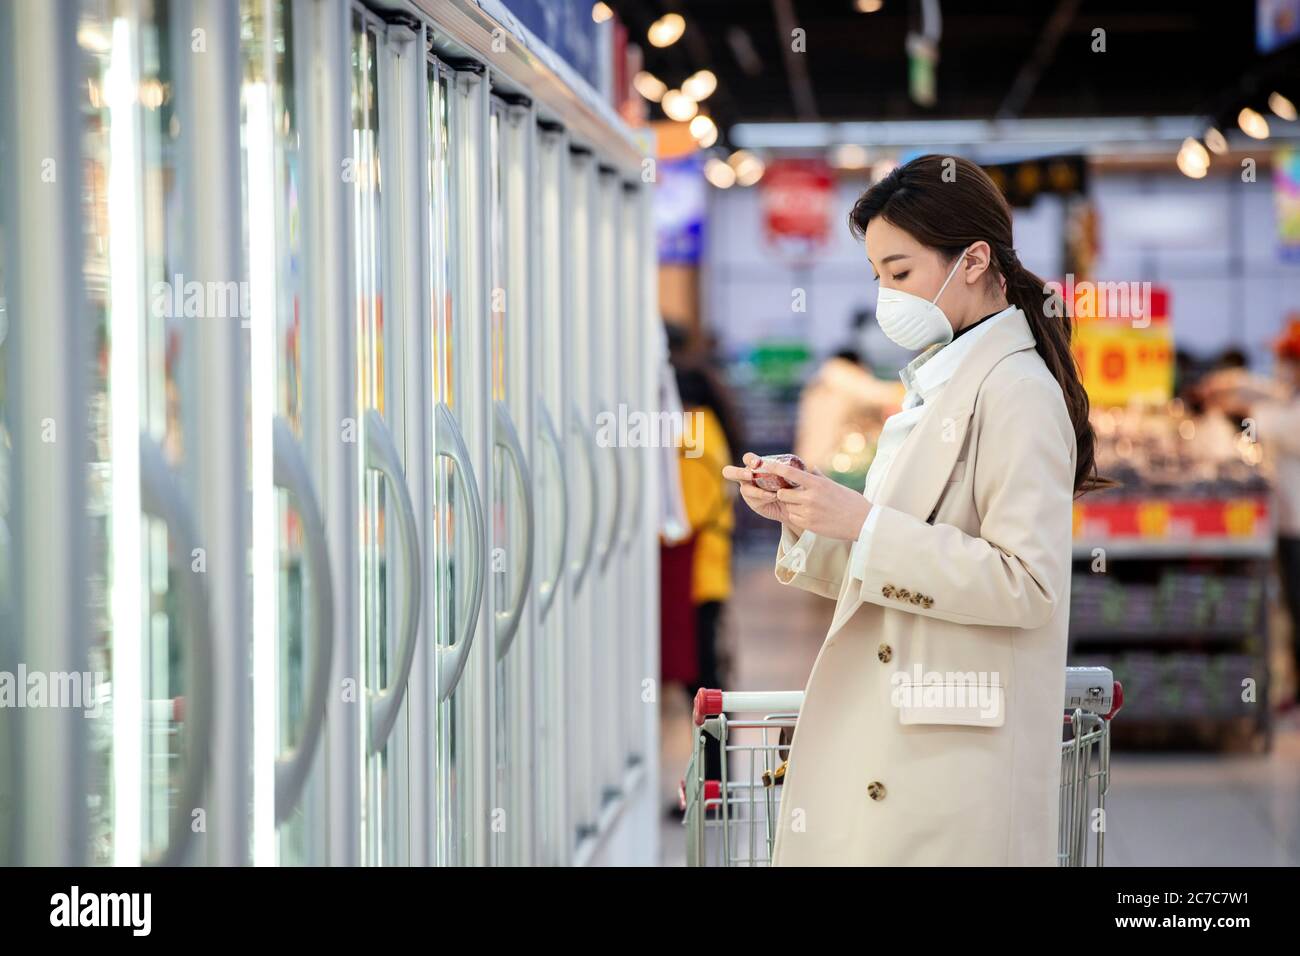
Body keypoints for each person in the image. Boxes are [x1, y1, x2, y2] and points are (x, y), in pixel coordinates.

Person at [723, 154, 1108, 866]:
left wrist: (861, 522)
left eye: (899, 273)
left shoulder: (1015, 392)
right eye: (878, 277)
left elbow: (1028, 584)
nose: (886, 297)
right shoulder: (940, 384)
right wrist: (810, 513)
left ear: (975, 259)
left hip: (951, 760)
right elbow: (893, 557)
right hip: (908, 738)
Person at [1198, 319, 1300, 707]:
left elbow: (1269, 422)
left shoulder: (1291, 411)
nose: (1280, 367)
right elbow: (1266, 392)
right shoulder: (1288, 395)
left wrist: (1237, 405)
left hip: (1296, 525)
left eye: (1286, 359)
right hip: (1287, 522)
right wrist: (1227, 385)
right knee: (1290, 606)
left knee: (1296, 607)